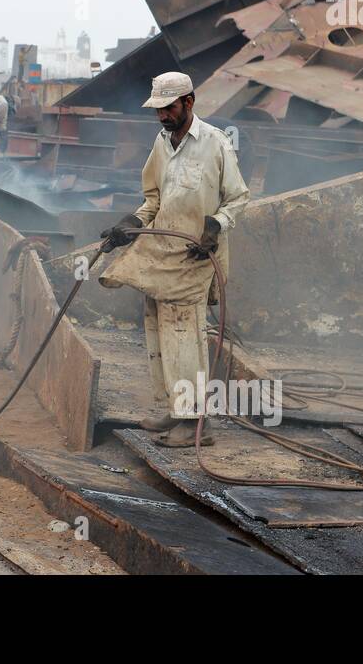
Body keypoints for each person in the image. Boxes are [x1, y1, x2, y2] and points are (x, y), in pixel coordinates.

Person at [98, 71, 249, 448]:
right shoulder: (161, 144)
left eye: (169, 108)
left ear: (189, 102)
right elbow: (153, 200)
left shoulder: (216, 144)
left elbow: (238, 198)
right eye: (159, 110)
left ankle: (195, 422)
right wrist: (129, 223)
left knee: (184, 336)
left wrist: (215, 226)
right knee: (157, 330)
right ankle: (173, 407)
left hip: (196, 254)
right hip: (160, 252)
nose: (163, 116)